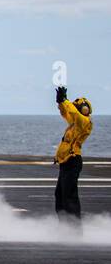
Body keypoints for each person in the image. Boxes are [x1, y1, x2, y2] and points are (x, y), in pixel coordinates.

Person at [54, 85, 93, 221]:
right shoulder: (74, 123)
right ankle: (64, 226)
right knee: (60, 195)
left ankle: (74, 228)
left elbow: (74, 114)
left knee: (69, 196)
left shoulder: (84, 122)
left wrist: (65, 100)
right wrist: (60, 102)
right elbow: (67, 113)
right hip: (65, 162)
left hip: (73, 161)